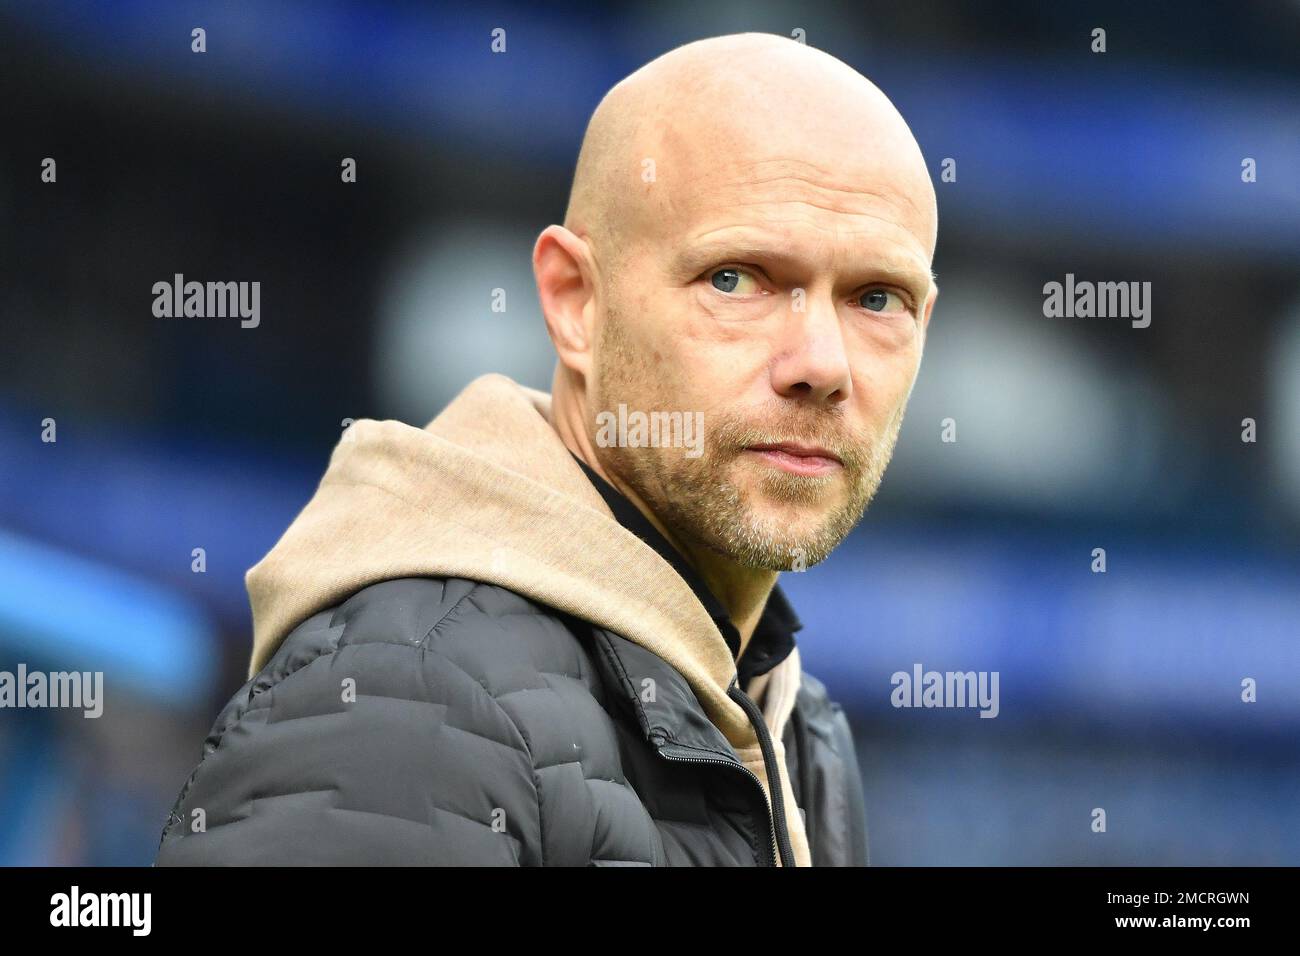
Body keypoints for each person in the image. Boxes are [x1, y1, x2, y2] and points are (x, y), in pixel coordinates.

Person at [156, 30, 938, 867]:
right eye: (734, 278)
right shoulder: (410, 703)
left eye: (877, 296)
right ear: (575, 303)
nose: (820, 364)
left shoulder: (792, 724)